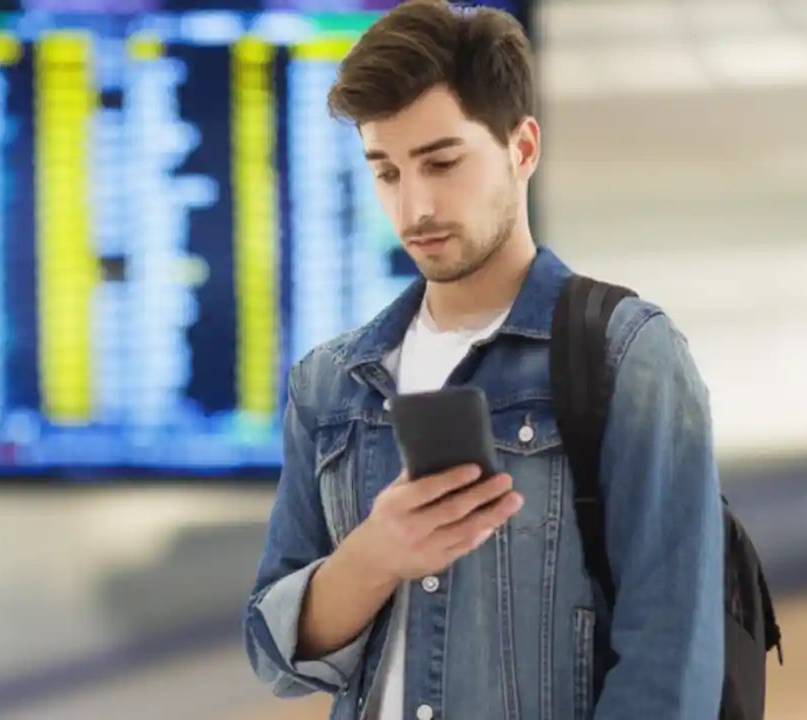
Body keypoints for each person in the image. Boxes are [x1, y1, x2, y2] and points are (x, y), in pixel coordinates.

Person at [242, 1, 725, 718]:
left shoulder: (627, 355)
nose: (415, 208)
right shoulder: (330, 384)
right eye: (387, 173)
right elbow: (273, 651)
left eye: (442, 162)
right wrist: (375, 554)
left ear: (522, 148)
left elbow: (670, 662)